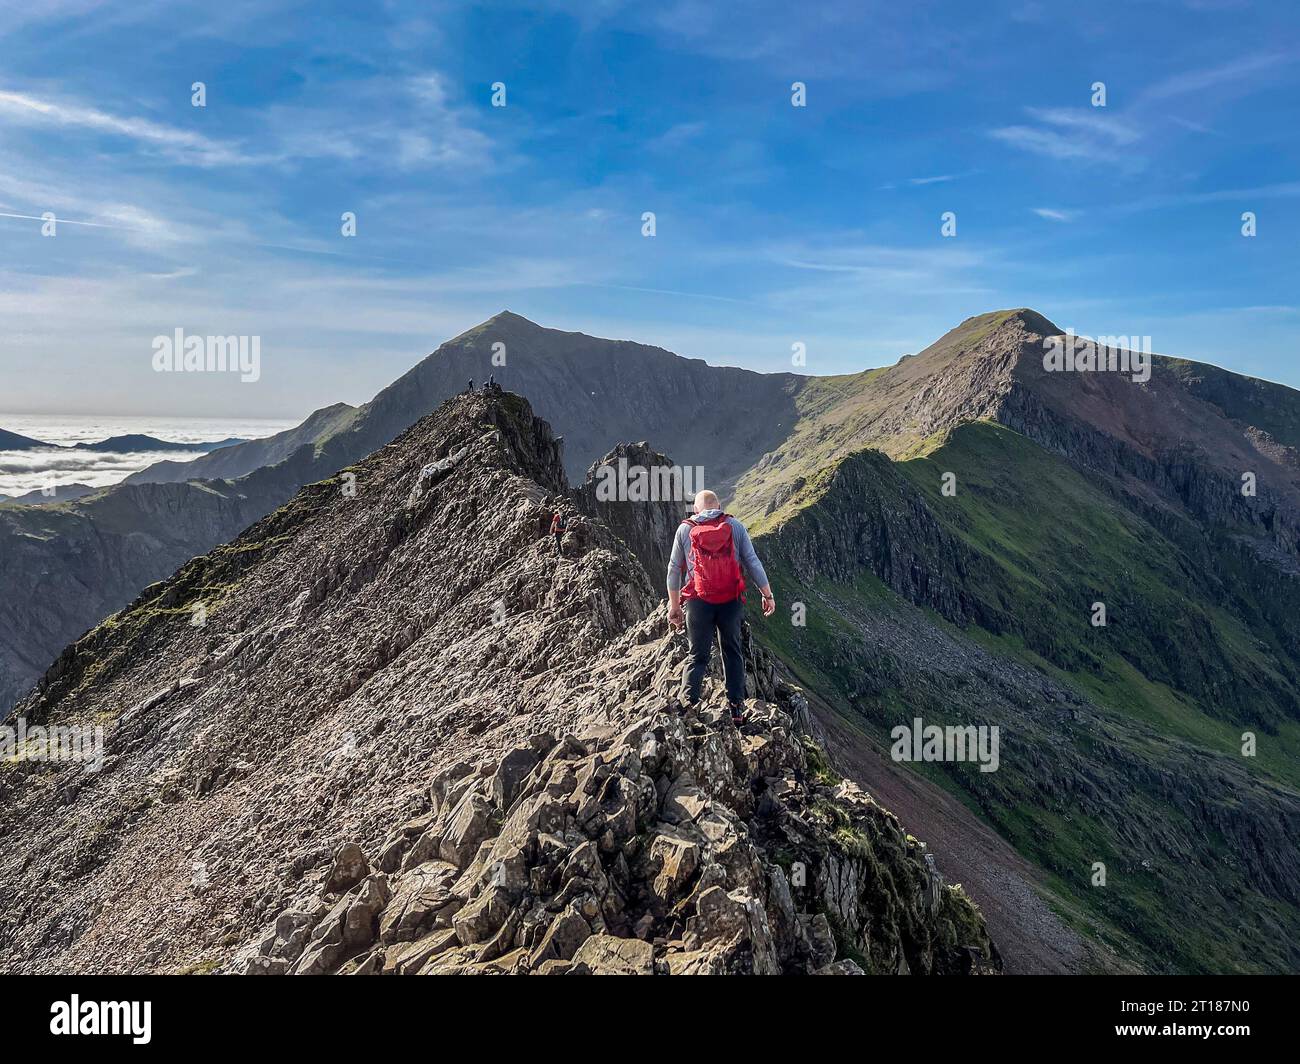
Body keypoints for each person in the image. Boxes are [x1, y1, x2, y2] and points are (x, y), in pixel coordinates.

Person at [666, 490, 775, 724]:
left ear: (696, 510)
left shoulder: (685, 529)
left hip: (698, 601)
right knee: (732, 652)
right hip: (730, 600)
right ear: (719, 506)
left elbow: (674, 569)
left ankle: (689, 706)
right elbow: (751, 561)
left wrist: (674, 606)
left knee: (698, 655)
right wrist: (767, 594)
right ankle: (736, 709)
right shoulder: (734, 526)